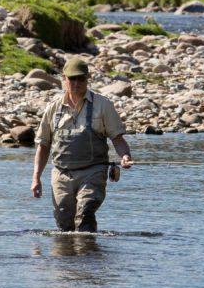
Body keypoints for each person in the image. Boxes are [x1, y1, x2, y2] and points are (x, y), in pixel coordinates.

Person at [31, 58, 133, 232]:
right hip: (61, 174)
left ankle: (88, 256)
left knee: (85, 213)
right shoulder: (53, 108)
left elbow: (117, 138)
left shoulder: (103, 105)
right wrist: (36, 178)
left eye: (81, 79)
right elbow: (44, 145)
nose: (76, 83)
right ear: (64, 79)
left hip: (93, 171)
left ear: (88, 78)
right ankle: (68, 259)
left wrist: (125, 156)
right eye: (72, 79)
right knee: (65, 225)